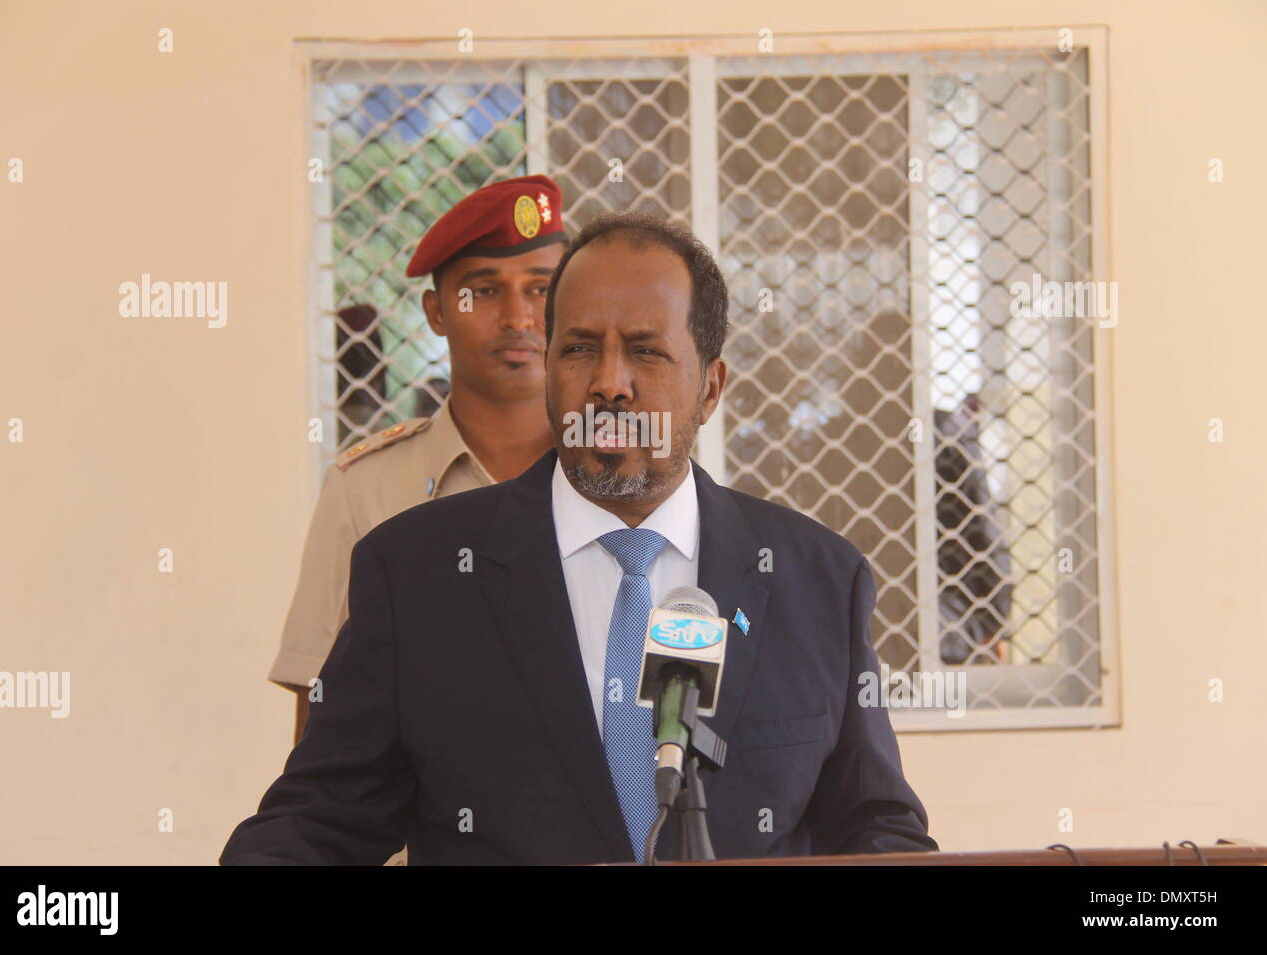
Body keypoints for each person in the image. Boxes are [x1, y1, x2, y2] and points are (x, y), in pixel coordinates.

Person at [222, 211, 938, 865]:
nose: (609, 383)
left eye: (647, 352)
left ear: (711, 388)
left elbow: (877, 825)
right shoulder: (415, 575)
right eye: (580, 349)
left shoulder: (816, 581)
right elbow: (317, 825)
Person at [271, 175, 566, 743]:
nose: (518, 318)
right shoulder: (365, 488)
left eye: (540, 289)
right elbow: (321, 701)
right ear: (436, 312)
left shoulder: (615, 476)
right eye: (482, 290)